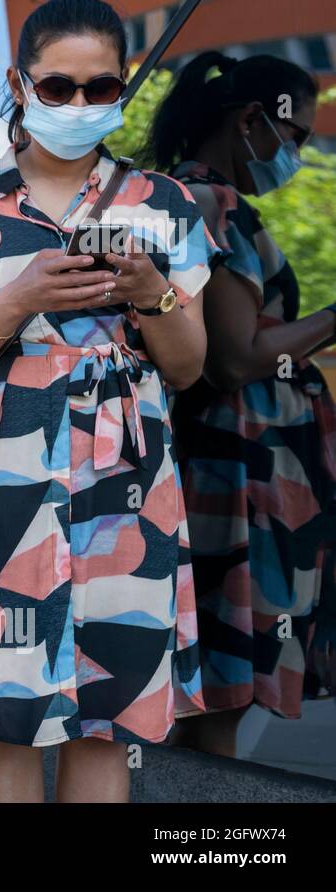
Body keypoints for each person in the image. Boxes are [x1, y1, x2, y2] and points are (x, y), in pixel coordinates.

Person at [0, 0, 218, 802]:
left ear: (121, 91)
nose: (79, 105)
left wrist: (153, 294)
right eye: (57, 87)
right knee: (1, 713)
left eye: (99, 87)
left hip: (127, 479)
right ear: (19, 82)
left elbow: (187, 368)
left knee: (107, 718)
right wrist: (13, 302)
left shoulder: (165, 203)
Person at [146, 51, 336, 756]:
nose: (299, 155)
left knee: (208, 698)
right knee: (217, 702)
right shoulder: (208, 201)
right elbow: (234, 358)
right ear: (253, 120)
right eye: (299, 138)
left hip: (229, 473)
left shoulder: (183, 198)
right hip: (234, 482)